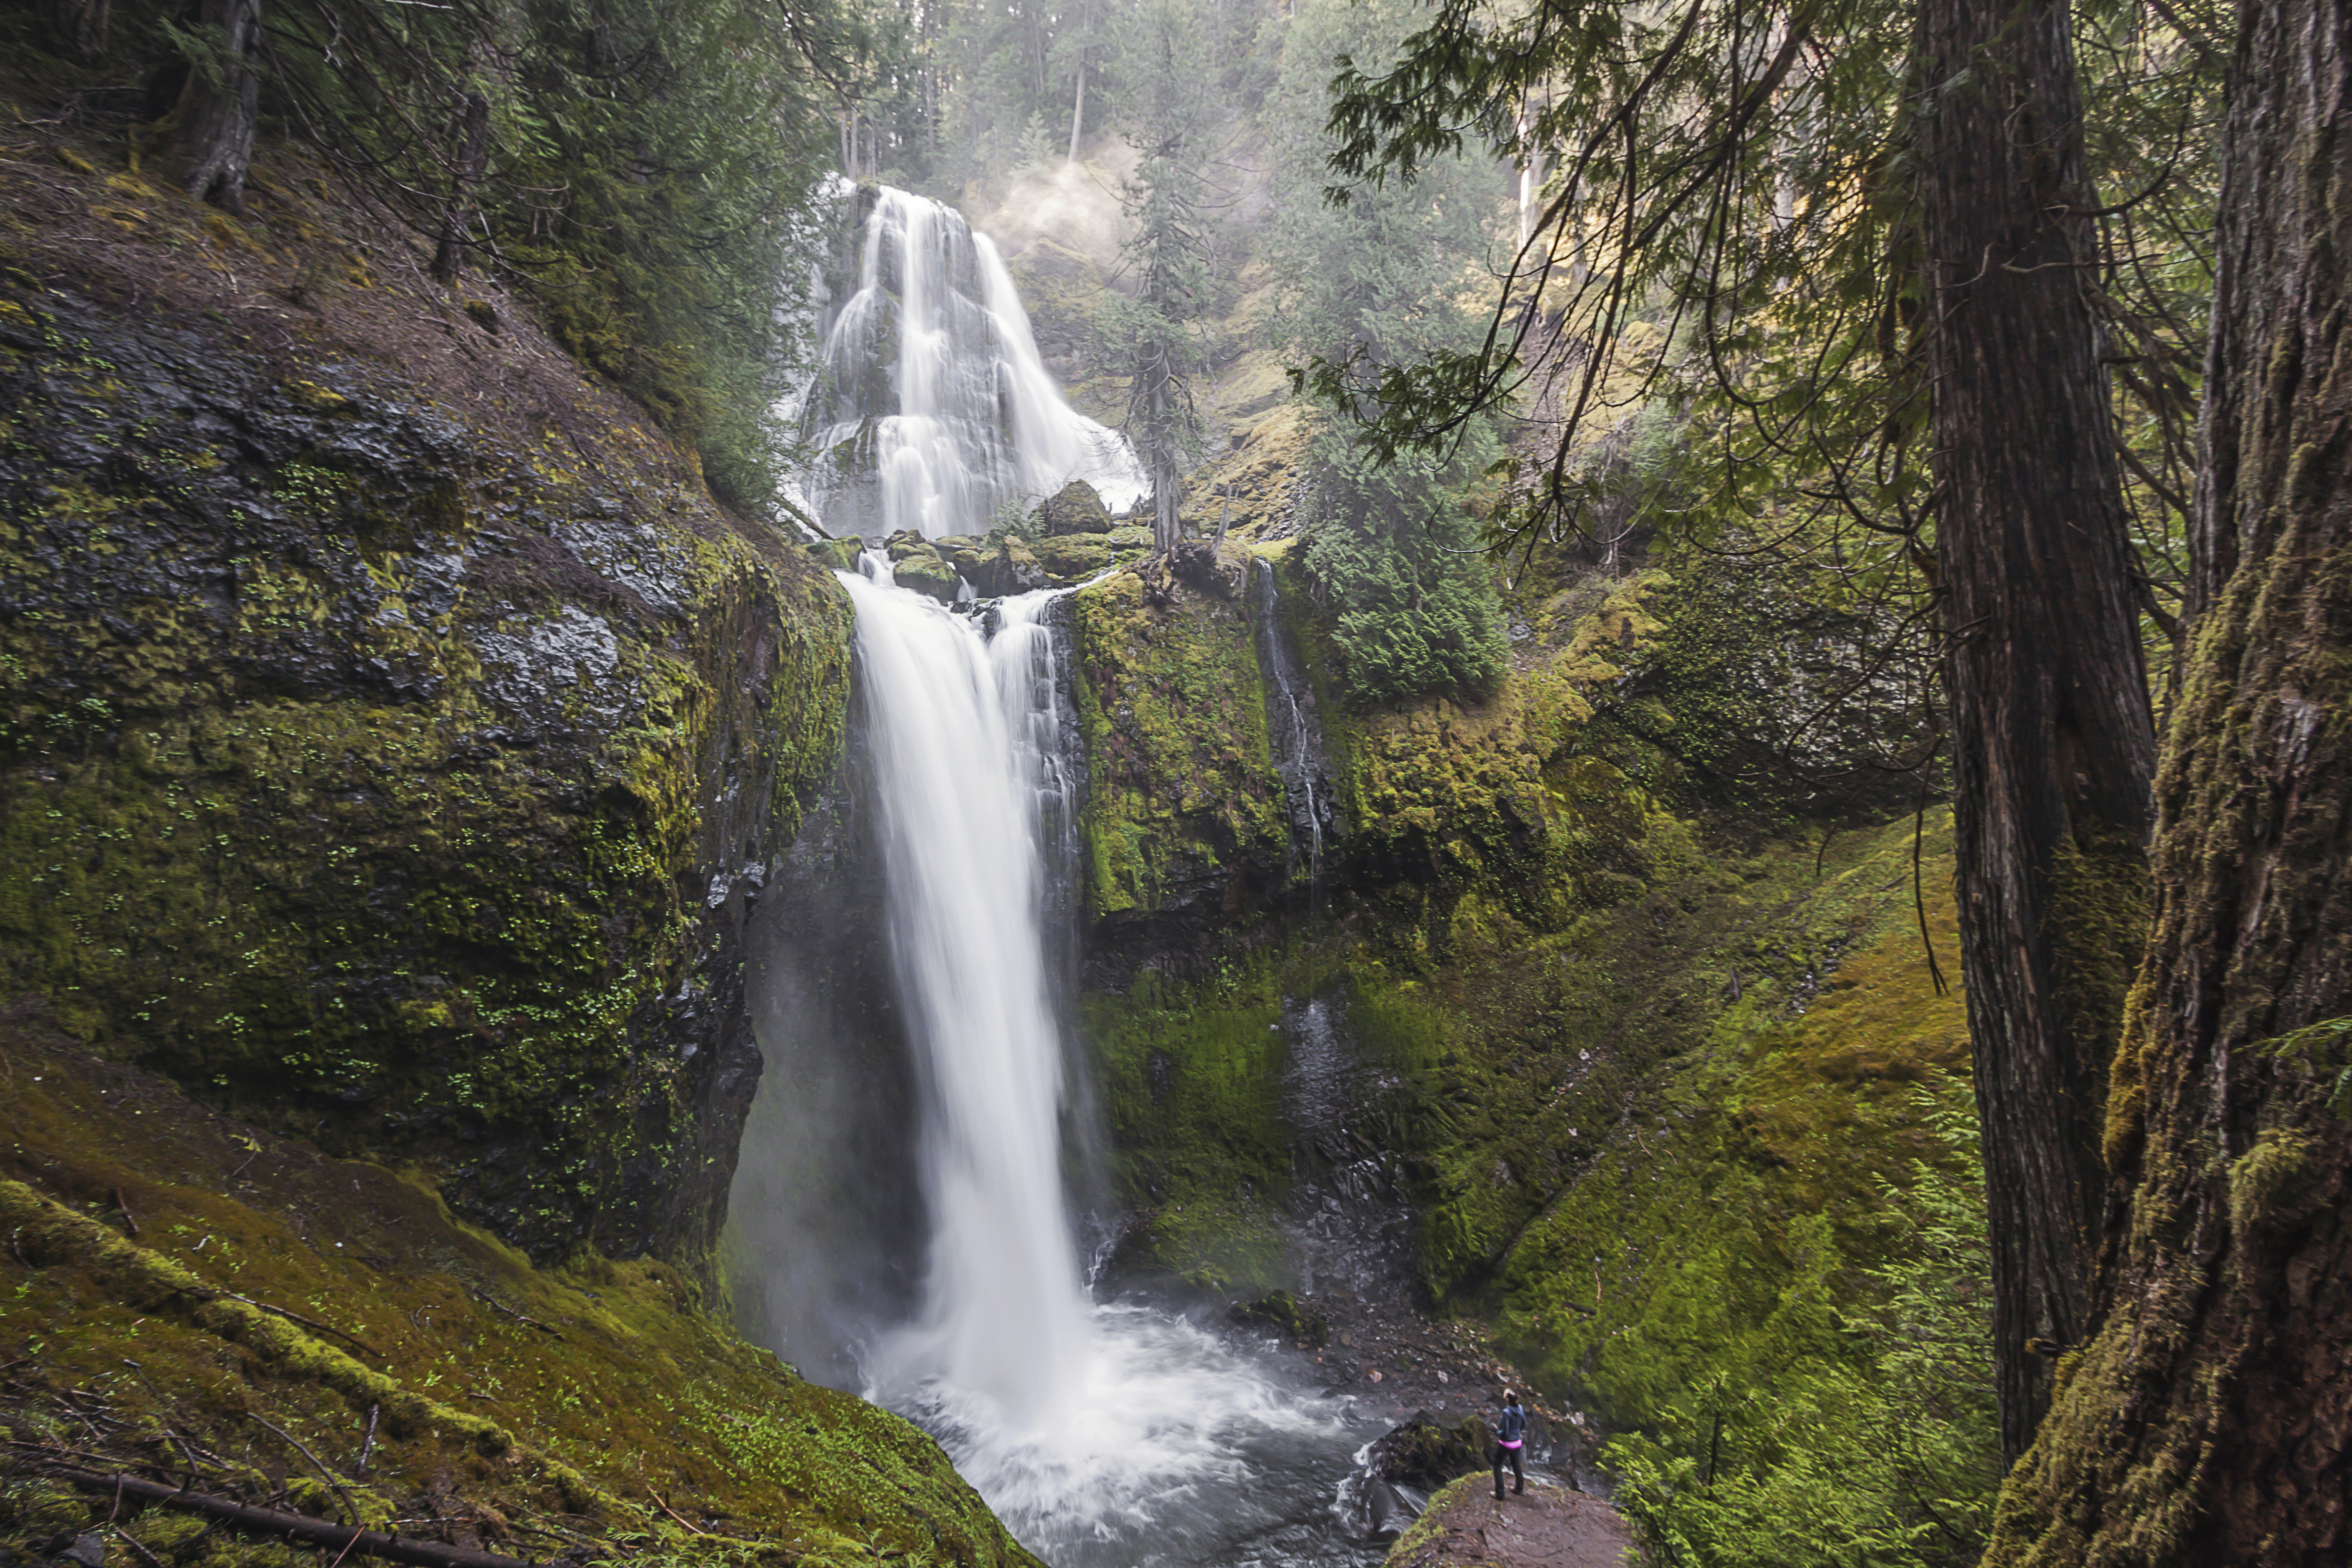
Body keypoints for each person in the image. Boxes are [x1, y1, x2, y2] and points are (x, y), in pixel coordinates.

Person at [1492, 1388, 1527, 1499]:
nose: (1503, 1395)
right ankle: (1519, 1488)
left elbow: (1505, 1432)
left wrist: (1497, 1432)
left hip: (1506, 1444)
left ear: (1508, 1399)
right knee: (1516, 1463)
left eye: (1505, 1394)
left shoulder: (1506, 1412)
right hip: (1517, 1442)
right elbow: (1524, 1424)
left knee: (1497, 1464)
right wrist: (1516, 1433)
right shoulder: (1520, 1408)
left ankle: (1500, 1493)